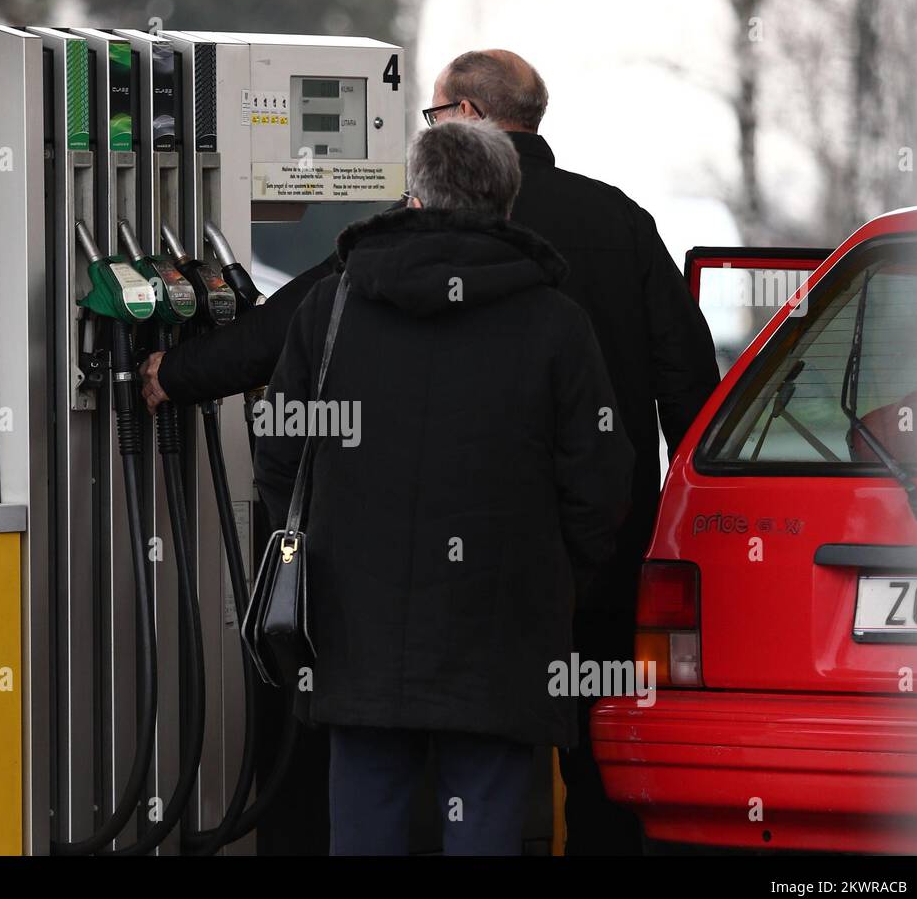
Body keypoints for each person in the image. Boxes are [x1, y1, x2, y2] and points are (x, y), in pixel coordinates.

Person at [144, 49, 719, 855]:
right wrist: (595, 557)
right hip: (540, 594)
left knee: (370, 795)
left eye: (435, 112)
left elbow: (277, 394)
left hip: (367, 608)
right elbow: (684, 390)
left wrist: (176, 375)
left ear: (469, 122)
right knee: (582, 779)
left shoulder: (356, 278)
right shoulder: (611, 234)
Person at [253, 119, 633, 855]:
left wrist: (320, 552)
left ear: (416, 198)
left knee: (364, 815)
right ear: (508, 203)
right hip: (501, 626)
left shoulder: (331, 308)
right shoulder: (556, 323)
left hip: (353, 619)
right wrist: (559, 579)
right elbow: (600, 479)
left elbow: (279, 455)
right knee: (486, 819)